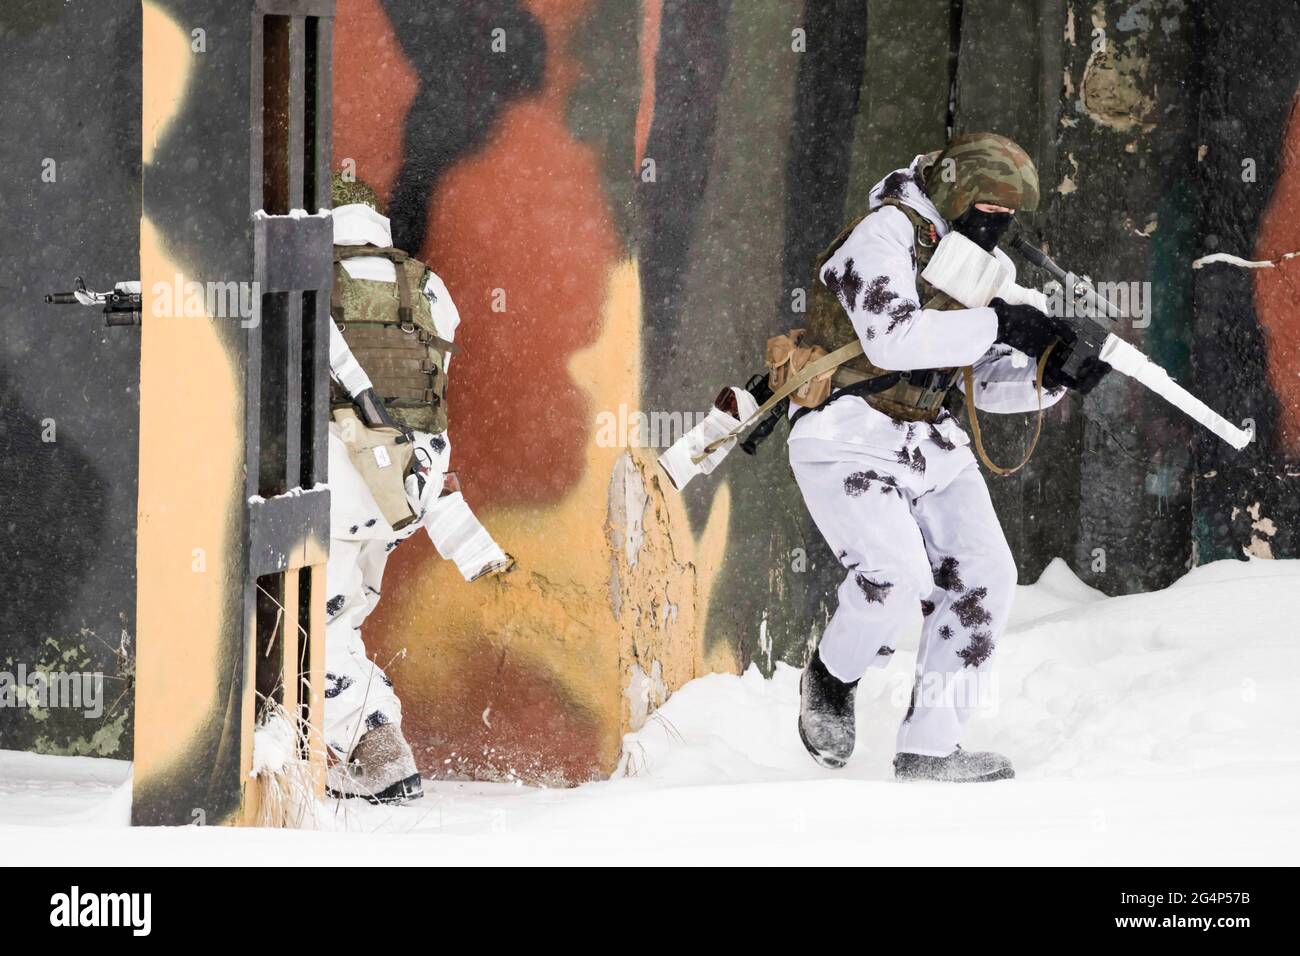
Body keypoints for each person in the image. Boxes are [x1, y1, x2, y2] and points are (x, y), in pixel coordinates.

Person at [793, 133, 1109, 782]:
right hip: (846, 432)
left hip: (927, 438)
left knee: (987, 573)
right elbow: (891, 339)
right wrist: (1003, 323)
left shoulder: (966, 260)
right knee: (895, 575)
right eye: (987, 212)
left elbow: (980, 379)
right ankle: (832, 675)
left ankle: (931, 746)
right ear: (956, 194)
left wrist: (1051, 376)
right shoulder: (885, 234)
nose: (997, 228)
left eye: (1007, 218)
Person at [324, 174, 512, 804]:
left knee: (311, 625)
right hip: (403, 485)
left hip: (337, 478)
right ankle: (366, 747)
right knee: (344, 619)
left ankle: (374, 749)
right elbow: (434, 383)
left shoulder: (311, 278)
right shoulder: (427, 286)